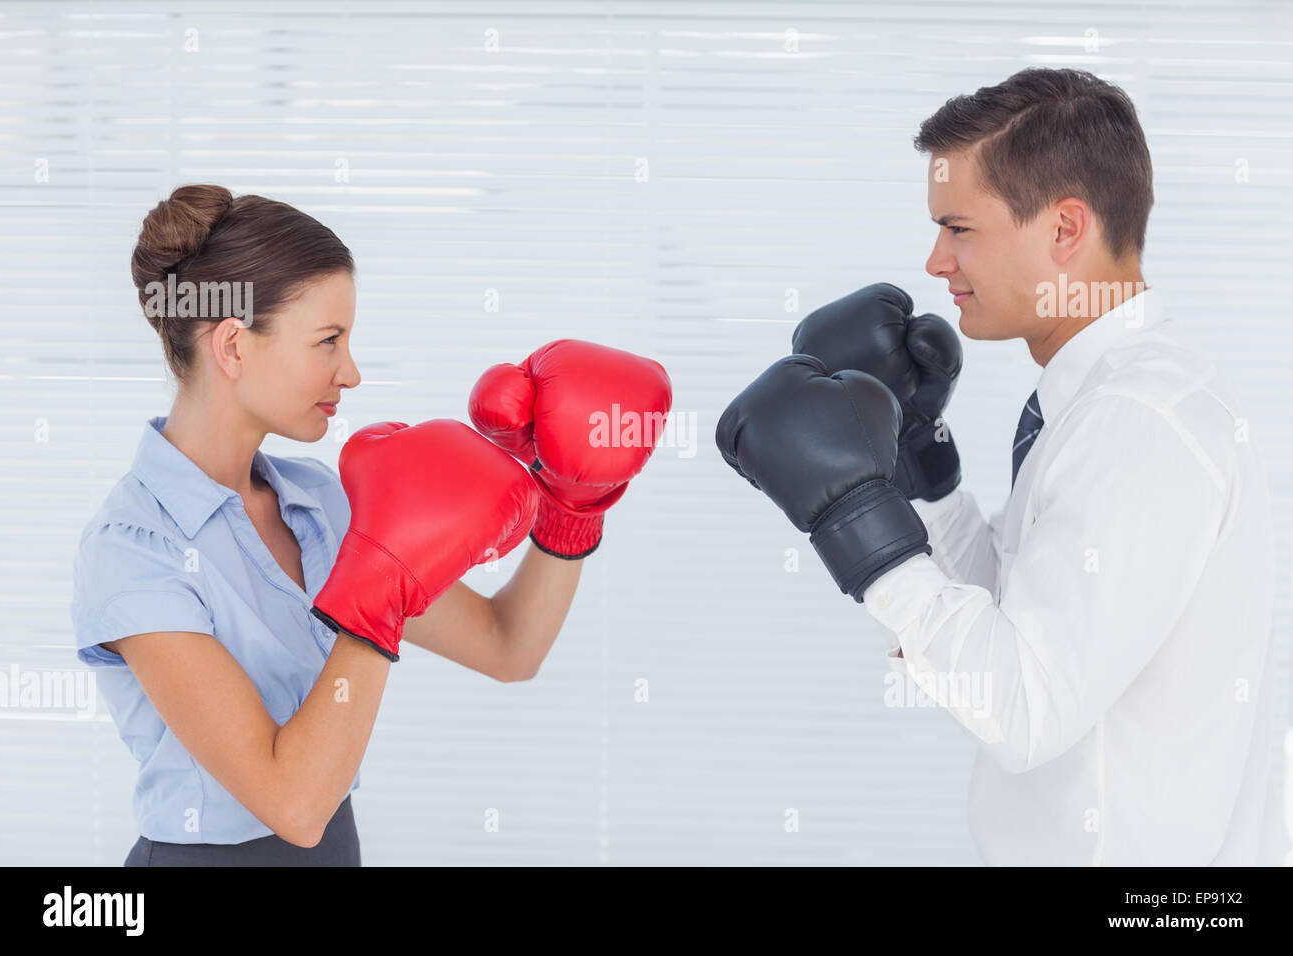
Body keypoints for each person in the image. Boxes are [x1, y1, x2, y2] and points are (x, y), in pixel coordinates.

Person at [717, 68, 1276, 865]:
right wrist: (919, 468)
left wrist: (854, 522)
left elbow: (1023, 708)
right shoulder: (1107, 401)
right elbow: (1018, 628)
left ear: (1064, 229)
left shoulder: (1136, 423)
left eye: (959, 228)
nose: (935, 261)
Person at [71, 184, 671, 865]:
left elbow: (510, 649)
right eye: (328, 341)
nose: (349, 373)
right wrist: (377, 598)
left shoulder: (319, 503)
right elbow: (293, 801)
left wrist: (569, 506)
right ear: (234, 346)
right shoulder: (133, 548)